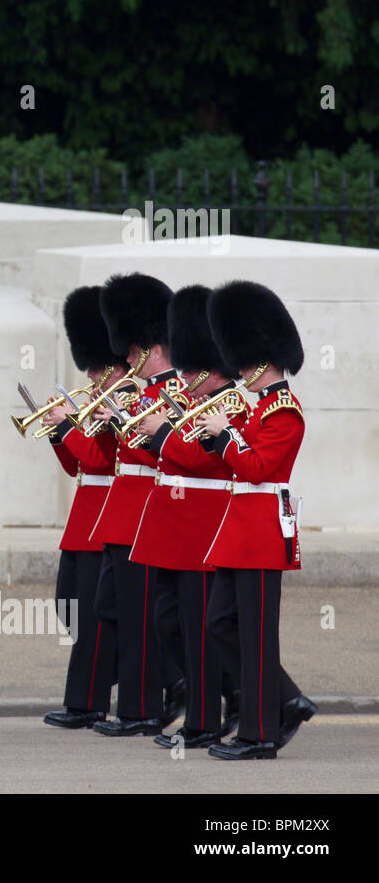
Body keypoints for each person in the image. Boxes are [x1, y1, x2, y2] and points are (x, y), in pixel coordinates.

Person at [198, 281, 317, 760]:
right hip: (240, 531)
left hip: (265, 529)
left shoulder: (284, 411)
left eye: (244, 362)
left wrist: (225, 435)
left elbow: (256, 468)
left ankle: (260, 734)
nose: (239, 370)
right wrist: (215, 435)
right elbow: (233, 461)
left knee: (255, 634)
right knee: (220, 625)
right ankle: (287, 699)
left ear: (264, 360)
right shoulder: (257, 408)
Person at [130, 285, 243, 748]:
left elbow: (199, 459)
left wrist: (159, 435)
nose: (186, 374)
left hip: (203, 529)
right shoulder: (193, 401)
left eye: (195, 366)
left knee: (199, 630)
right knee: (170, 623)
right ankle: (225, 698)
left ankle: (204, 721)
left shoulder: (228, 401)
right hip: (174, 531)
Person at [86, 273, 186, 737]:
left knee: (141, 616)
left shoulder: (172, 396)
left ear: (154, 347)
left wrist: (127, 421)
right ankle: (170, 686)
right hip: (124, 512)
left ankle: (141, 710)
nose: (127, 358)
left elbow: (171, 453)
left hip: (149, 512)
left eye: (133, 350)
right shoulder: (139, 393)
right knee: (114, 608)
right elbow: (109, 460)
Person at [40, 286, 121, 729]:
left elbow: (100, 459)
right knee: (70, 605)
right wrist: (58, 432)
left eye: (98, 369)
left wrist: (71, 425)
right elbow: (76, 466)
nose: (92, 377)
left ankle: (87, 702)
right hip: (84, 516)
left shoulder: (123, 405)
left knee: (91, 615)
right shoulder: (99, 403)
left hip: (107, 514)